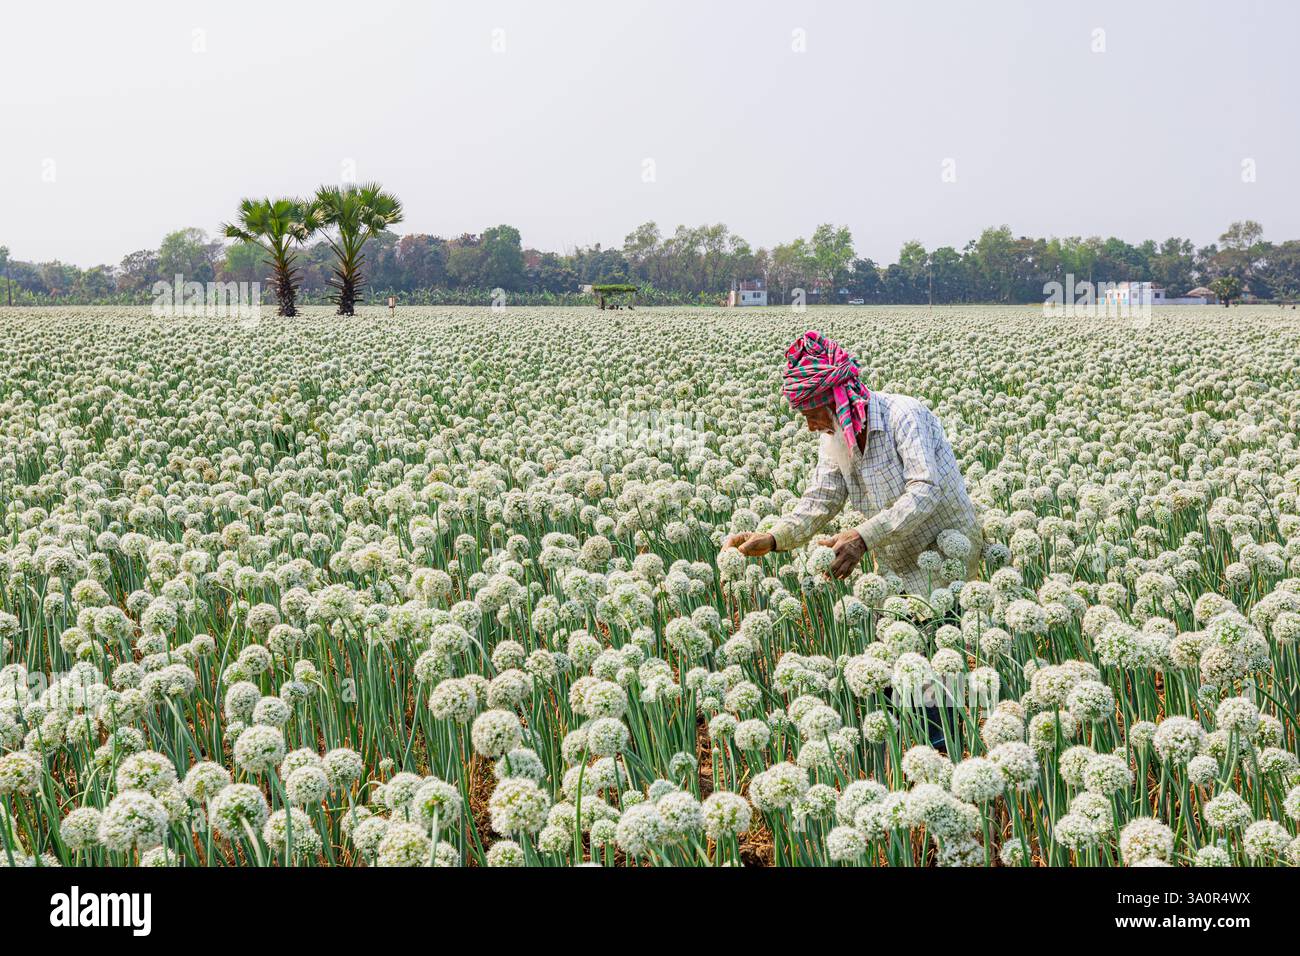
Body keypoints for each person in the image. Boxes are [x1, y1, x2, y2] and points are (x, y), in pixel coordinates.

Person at [724, 330, 983, 592]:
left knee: (946, 616)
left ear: (838, 401)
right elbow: (822, 498)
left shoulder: (904, 416)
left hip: (946, 557)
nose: (811, 426)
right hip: (896, 564)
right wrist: (773, 538)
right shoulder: (835, 435)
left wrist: (862, 538)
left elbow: (925, 490)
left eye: (813, 415)